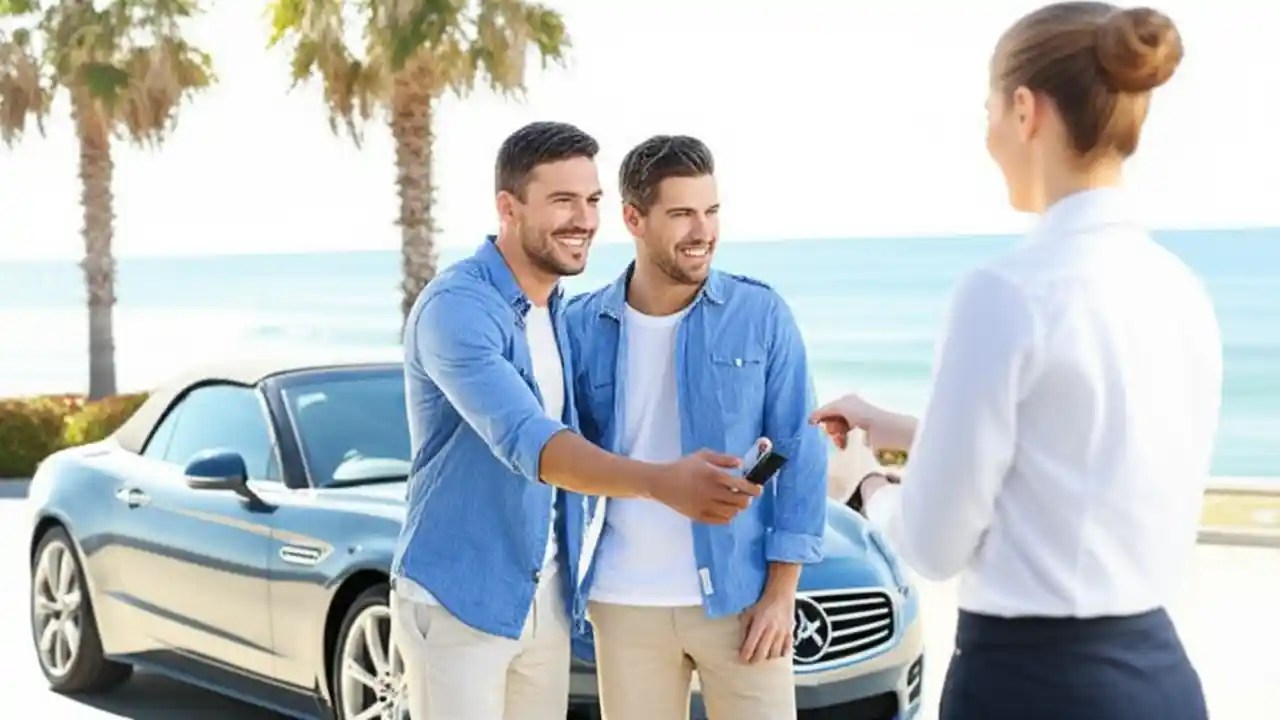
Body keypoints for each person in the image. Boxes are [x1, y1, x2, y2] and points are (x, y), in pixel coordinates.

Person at [811, 4, 1221, 719]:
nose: (988, 134)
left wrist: (864, 479)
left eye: (989, 110)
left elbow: (934, 546)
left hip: (1032, 687)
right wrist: (897, 425)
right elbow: (1071, 444)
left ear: (1025, 109)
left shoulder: (1005, 292)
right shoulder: (1180, 288)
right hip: (1160, 682)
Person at [390, 121, 764, 720]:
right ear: (507, 207)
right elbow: (531, 444)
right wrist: (662, 481)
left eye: (591, 201)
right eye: (562, 201)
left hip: (544, 600)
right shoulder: (456, 309)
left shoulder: (558, 312)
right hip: (459, 599)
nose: (584, 220)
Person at [563, 135, 828, 719]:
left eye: (711, 211)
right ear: (634, 218)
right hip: (624, 599)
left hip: (741, 599)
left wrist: (783, 594)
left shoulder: (759, 314)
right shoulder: (581, 326)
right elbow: (562, 458)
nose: (703, 231)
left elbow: (799, 451)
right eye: (682, 213)